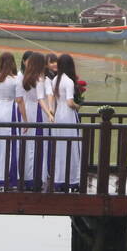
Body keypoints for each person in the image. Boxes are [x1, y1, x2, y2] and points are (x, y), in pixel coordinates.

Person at [0, 52, 24, 187]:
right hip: (9, 111)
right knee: (10, 145)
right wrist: (25, 120)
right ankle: (9, 178)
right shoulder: (15, 80)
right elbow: (19, 100)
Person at [19, 52, 53, 189]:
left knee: (28, 145)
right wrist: (49, 112)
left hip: (25, 111)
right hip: (37, 112)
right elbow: (40, 99)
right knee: (37, 145)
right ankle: (34, 178)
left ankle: (25, 176)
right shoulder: (39, 79)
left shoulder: (25, 77)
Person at [51, 53, 82, 191]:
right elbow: (70, 102)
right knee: (72, 146)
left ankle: (59, 178)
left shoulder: (55, 80)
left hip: (58, 114)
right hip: (68, 115)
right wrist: (78, 105)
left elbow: (54, 101)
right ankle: (72, 179)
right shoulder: (69, 81)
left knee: (60, 146)